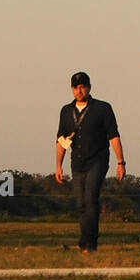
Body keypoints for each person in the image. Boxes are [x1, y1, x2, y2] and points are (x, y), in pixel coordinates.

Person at [55, 71, 125, 253]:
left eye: (83, 86)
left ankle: (90, 244)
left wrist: (121, 162)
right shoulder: (66, 111)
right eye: (76, 87)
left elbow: (114, 136)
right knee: (80, 203)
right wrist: (58, 166)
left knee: (90, 198)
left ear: (89, 87)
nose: (79, 90)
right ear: (71, 89)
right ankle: (83, 240)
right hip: (77, 162)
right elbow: (61, 140)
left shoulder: (102, 108)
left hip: (98, 159)